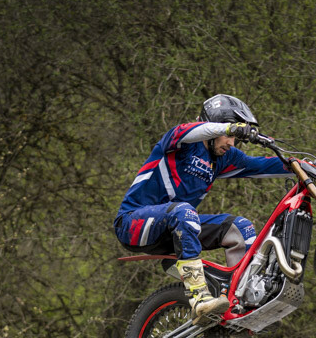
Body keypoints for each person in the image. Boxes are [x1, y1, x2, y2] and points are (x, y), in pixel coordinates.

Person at [115, 94, 292, 325]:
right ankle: (199, 297)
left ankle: (241, 301)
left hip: (175, 228)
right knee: (185, 212)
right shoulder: (180, 140)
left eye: (234, 138)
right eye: (228, 136)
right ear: (213, 126)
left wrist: (307, 168)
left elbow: (262, 166)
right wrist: (231, 127)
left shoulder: (222, 158)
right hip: (132, 224)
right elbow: (194, 131)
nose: (231, 143)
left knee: (240, 228)